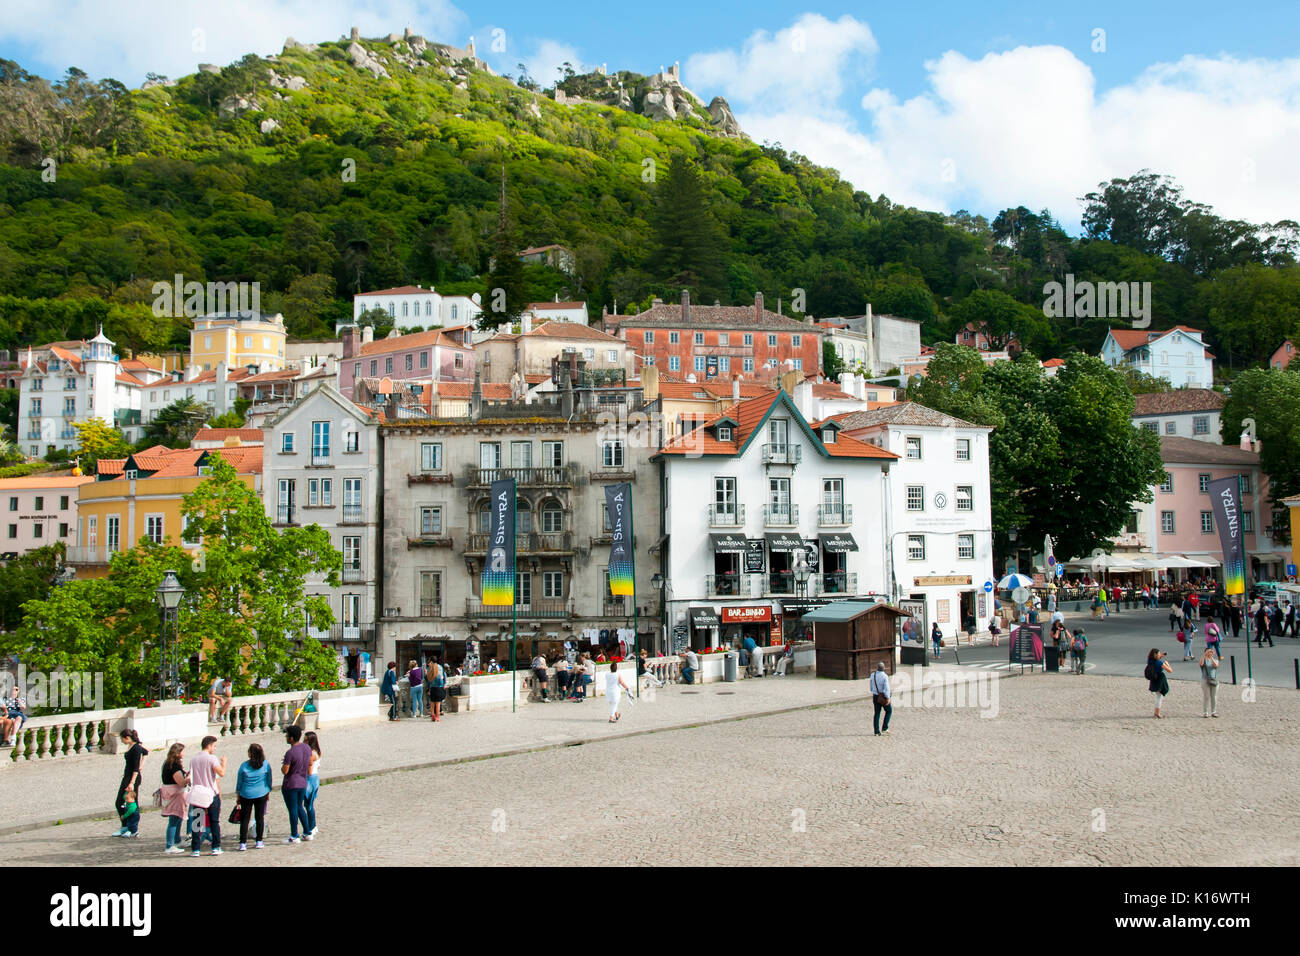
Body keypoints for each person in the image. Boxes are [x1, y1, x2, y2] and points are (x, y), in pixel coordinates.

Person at [187, 735, 226, 856]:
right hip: (210, 793)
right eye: (214, 746)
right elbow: (221, 773)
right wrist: (224, 763)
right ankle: (216, 846)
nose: (214, 748)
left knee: (197, 823)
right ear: (209, 746)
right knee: (214, 821)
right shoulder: (211, 758)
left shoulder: (193, 759)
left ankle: (195, 849)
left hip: (198, 793)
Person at [235, 743, 272, 850]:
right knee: (259, 818)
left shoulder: (244, 765)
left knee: (245, 819)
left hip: (246, 794)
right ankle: (259, 841)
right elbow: (269, 780)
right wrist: (268, 791)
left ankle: (242, 842)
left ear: (250, 754)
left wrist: (238, 795)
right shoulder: (265, 765)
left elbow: (239, 782)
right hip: (261, 793)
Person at [112, 730, 147, 838]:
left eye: (122, 738)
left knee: (131, 804)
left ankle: (132, 828)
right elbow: (146, 752)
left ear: (127, 738)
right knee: (121, 802)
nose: (121, 741)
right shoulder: (134, 746)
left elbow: (136, 768)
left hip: (132, 779)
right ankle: (126, 826)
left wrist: (132, 782)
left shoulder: (136, 748)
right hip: (127, 777)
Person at [281, 725, 313, 843]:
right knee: (300, 807)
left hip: (291, 784)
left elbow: (285, 771)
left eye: (287, 735)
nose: (286, 737)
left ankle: (294, 835)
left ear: (291, 738)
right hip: (302, 782)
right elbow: (310, 762)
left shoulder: (290, 752)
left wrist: (284, 764)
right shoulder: (306, 748)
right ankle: (307, 831)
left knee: (293, 809)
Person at [160, 742, 190, 853]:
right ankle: (170, 845)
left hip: (172, 794)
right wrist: (189, 777)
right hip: (175, 795)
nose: (184, 753)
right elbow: (181, 782)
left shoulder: (168, 763)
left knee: (178, 817)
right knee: (174, 819)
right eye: (183, 751)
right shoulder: (174, 766)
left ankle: (177, 840)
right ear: (178, 753)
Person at [303, 731, 321, 840]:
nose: (304, 742)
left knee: (308, 805)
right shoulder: (318, 751)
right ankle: (312, 825)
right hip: (315, 777)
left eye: (305, 740)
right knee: (309, 804)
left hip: (310, 779)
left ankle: (312, 826)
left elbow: (309, 770)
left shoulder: (310, 753)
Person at [1145, 649, 1172, 718]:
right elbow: (1170, 671)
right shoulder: (1159, 663)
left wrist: (1161, 656)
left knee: (1158, 696)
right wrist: (1167, 664)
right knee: (1159, 697)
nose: (1160, 655)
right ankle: (1156, 713)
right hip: (1159, 680)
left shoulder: (1150, 661)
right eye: (1159, 654)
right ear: (1156, 655)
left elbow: (1153, 659)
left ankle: (1156, 713)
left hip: (1154, 679)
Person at [869, 662, 892, 736]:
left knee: (877, 713)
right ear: (884, 668)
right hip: (883, 697)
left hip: (875, 696)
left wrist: (874, 691)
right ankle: (885, 727)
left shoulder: (873, 675)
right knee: (889, 711)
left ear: (877, 668)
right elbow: (886, 688)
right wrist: (888, 698)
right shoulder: (885, 676)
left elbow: (871, 686)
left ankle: (876, 731)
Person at [1199, 646, 1221, 719]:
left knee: (1214, 696)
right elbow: (1201, 664)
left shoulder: (1215, 660)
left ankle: (1213, 711)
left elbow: (1216, 665)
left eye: (1211, 651)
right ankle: (1205, 712)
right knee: (1206, 696)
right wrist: (1205, 655)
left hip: (1214, 679)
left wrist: (1211, 657)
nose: (1210, 653)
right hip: (1205, 679)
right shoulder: (1204, 660)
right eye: (1209, 651)